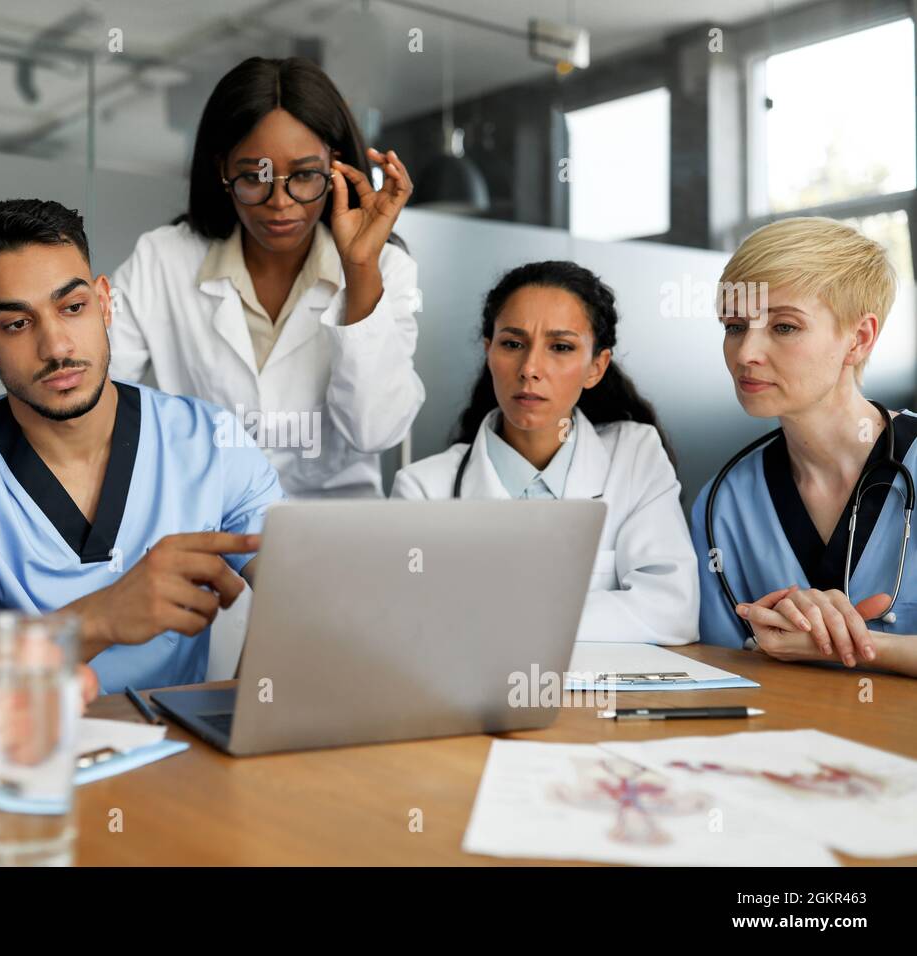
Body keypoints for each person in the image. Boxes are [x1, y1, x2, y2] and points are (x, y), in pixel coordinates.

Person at [0, 199, 284, 694]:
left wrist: (243, 710)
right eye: (16, 324)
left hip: (177, 752)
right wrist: (98, 619)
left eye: (73, 308)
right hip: (19, 754)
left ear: (105, 302)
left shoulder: (211, 441)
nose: (57, 347)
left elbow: (305, 599)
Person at [108, 56, 423, 498]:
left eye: (304, 175)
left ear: (335, 166)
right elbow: (95, 394)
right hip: (207, 528)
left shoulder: (387, 269)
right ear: (222, 168)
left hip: (332, 535)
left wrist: (360, 268)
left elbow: (375, 431)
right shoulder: (161, 259)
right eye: (255, 176)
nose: (280, 202)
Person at [392, 260, 698, 645]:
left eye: (561, 347)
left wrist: (491, 616)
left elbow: (672, 612)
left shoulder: (635, 455)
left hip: (603, 702)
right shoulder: (423, 488)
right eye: (513, 344)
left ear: (596, 367)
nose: (530, 368)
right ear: (489, 353)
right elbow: (414, 625)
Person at [692, 217, 917, 677]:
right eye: (735, 326)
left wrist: (857, 644)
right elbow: (718, 664)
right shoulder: (723, 502)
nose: (746, 353)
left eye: (785, 327)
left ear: (859, 338)